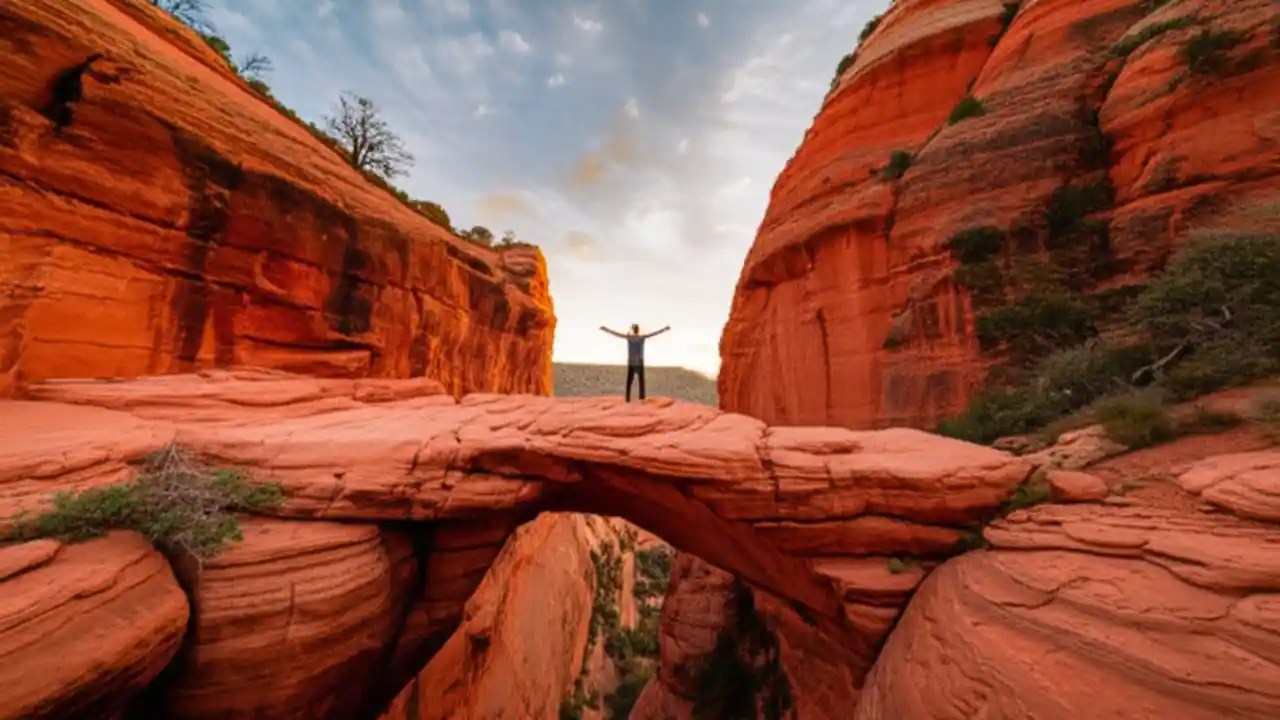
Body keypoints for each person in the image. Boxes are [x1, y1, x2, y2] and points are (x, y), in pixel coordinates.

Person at [599, 323, 670, 401]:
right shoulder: (633, 337)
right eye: (634, 328)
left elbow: (653, 334)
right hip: (634, 361)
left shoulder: (637, 337)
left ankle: (638, 398)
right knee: (632, 381)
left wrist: (664, 329)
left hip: (637, 361)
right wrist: (606, 329)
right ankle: (631, 398)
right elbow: (617, 334)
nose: (635, 330)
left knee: (638, 381)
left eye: (635, 328)